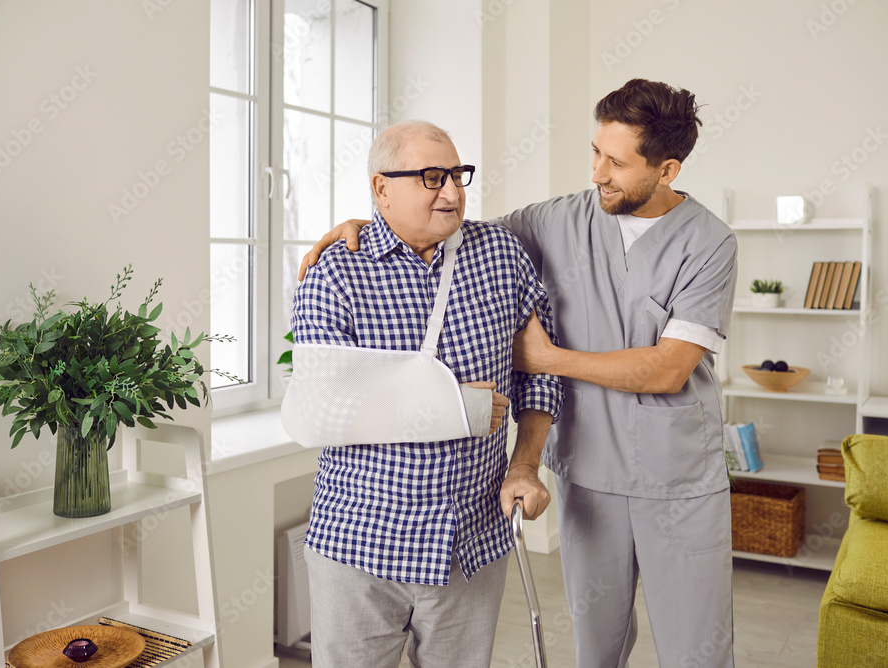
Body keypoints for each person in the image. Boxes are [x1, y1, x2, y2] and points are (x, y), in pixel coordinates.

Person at [300, 80, 738, 668]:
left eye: (616, 161)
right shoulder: (553, 222)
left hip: (675, 472)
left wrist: (544, 368)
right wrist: (360, 220)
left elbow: (667, 368)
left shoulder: (709, 243)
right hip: (589, 472)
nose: (597, 173)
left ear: (667, 170)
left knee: (697, 650)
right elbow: (437, 226)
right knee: (596, 646)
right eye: (595, 152)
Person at [291, 119, 563, 668]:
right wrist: (460, 409)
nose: (454, 192)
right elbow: (324, 410)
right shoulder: (335, 274)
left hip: (471, 541)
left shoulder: (501, 255)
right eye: (432, 177)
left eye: (459, 175)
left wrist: (525, 465)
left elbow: (542, 373)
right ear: (381, 189)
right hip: (361, 541)